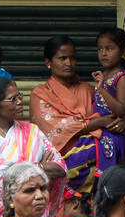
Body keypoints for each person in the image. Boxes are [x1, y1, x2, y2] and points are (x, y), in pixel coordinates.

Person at [0, 77, 66, 217]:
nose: (20, 102)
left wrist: (20, 168)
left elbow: (60, 167)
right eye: (12, 99)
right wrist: (40, 166)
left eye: (19, 96)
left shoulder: (33, 131)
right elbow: (1, 176)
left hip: (34, 215)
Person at [31, 35, 119, 193]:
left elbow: (112, 112)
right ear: (48, 63)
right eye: (62, 58)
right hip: (63, 164)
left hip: (97, 162)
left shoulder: (88, 89)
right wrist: (98, 122)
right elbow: (55, 128)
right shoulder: (41, 93)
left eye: (72, 58)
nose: (69, 63)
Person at [92, 28, 125, 172]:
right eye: (100, 49)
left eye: (109, 48)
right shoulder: (104, 76)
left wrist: (101, 89)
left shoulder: (122, 78)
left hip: (113, 133)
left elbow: (121, 110)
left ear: (123, 52)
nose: (103, 53)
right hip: (98, 130)